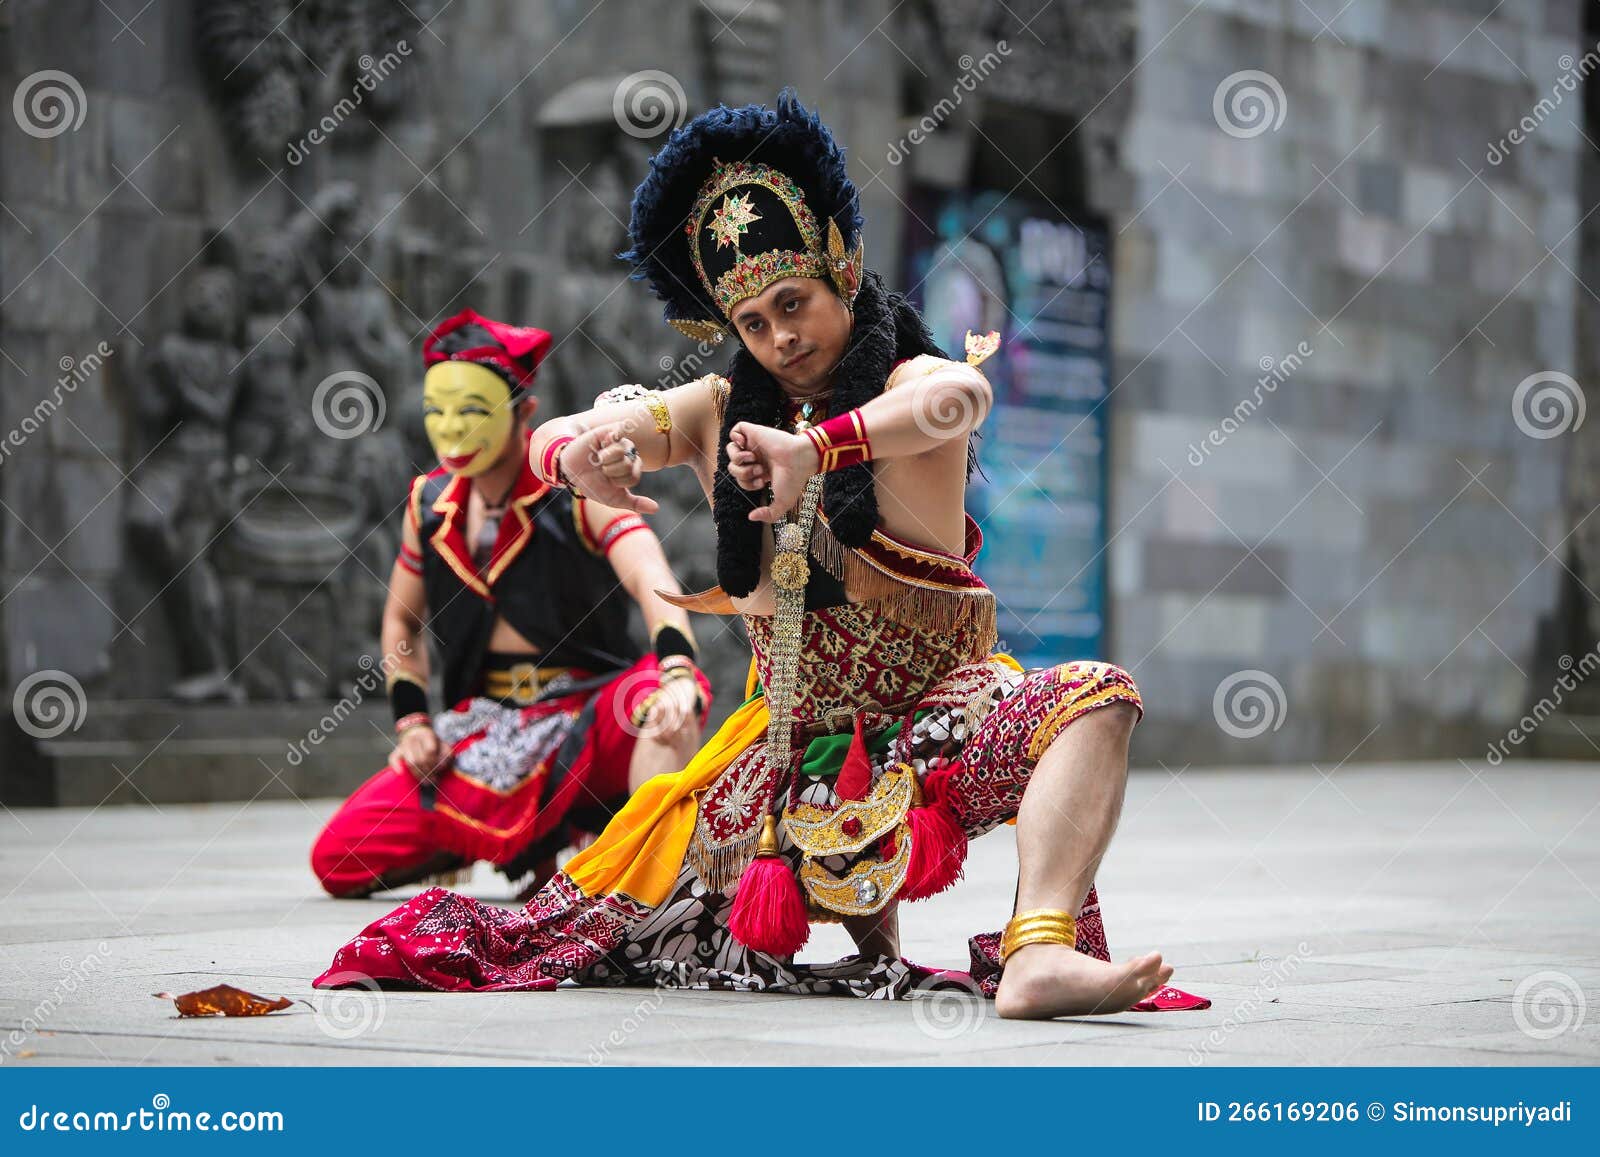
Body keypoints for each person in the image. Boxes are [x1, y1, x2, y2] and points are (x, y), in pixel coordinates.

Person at [315, 95, 1206, 1019]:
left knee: (1098, 697)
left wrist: (820, 450)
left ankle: (1037, 955)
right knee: (595, 933)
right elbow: (590, 426)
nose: (781, 337)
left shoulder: (911, 383)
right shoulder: (716, 408)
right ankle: (865, 941)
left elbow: (965, 399)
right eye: (752, 322)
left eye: (795, 303)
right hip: (783, 760)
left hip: (940, 724)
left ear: (844, 271)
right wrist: (571, 457)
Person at [310, 309, 710, 899]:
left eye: (471, 412)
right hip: (486, 724)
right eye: (436, 413)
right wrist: (413, 720)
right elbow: (401, 620)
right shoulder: (430, 503)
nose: (450, 431)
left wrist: (677, 671)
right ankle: (510, 838)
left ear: (524, 412)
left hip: (589, 711)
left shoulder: (575, 486)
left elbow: (651, 576)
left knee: (656, 701)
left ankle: (649, 892)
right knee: (339, 857)